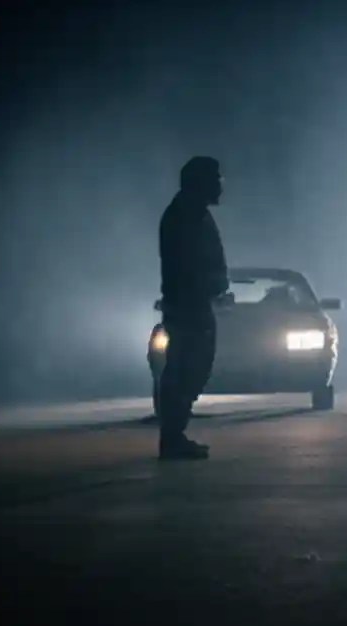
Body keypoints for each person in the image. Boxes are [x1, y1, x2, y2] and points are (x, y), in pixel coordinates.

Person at [157, 156, 229, 460]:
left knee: (193, 369)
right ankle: (172, 436)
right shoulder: (184, 217)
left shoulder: (194, 214)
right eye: (215, 179)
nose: (220, 185)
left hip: (195, 304)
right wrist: (205, 287)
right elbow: (187, 265)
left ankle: (174, 434)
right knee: (185, 369)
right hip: (188, 307)